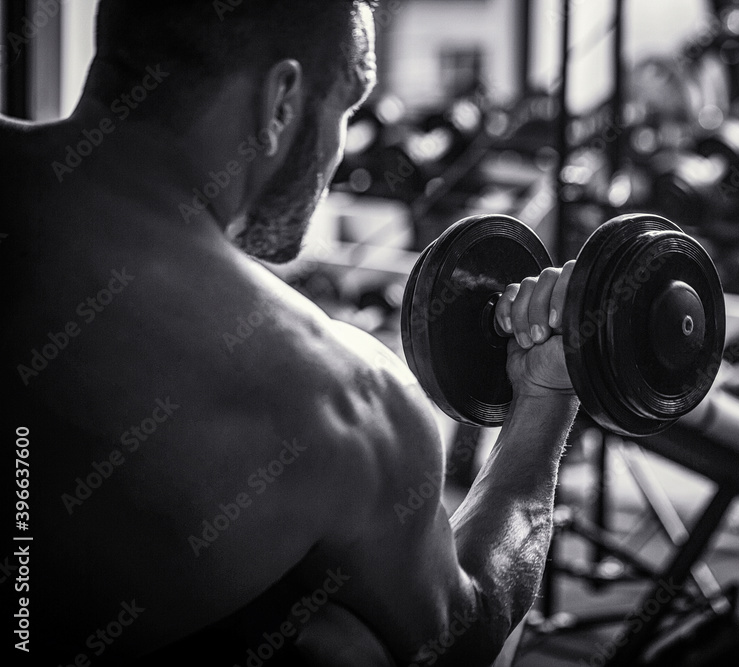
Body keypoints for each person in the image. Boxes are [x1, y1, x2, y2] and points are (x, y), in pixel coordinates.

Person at [1, 1, 579, 664]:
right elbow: (464, 631)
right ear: (280, 102)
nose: (337, 149)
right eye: (345, 107)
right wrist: (545, 399)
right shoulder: (342, 398)